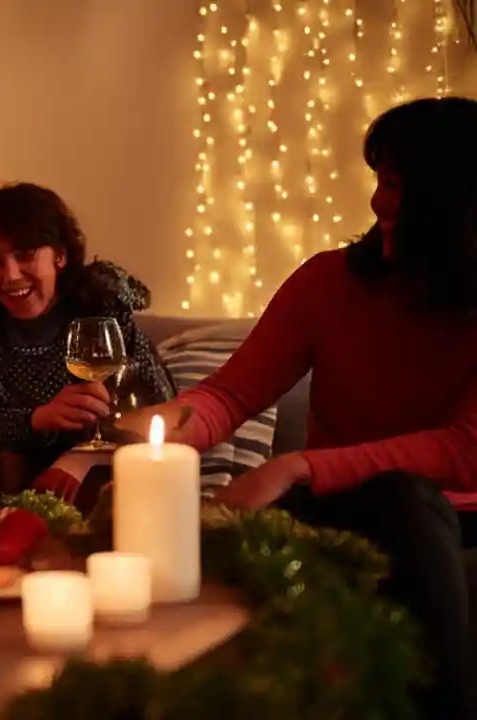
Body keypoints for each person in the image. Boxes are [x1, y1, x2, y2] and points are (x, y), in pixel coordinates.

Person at [121, 97, 477, 718]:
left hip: (451, 508)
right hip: (343, 507)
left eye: (393, 183)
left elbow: (463, 448)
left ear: (447, 199)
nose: (376, 203)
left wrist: (298, 466)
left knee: (409, 502)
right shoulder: (326, 282)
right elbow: (231, 394)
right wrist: (170, 430)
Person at [0, 182, 175, 504]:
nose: (10, 276)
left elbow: (163, 405)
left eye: (25, 254)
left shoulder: (102, 307)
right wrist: (38, 418)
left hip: (111, 471)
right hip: (11, 484)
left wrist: (83, 458)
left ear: (59, 255)